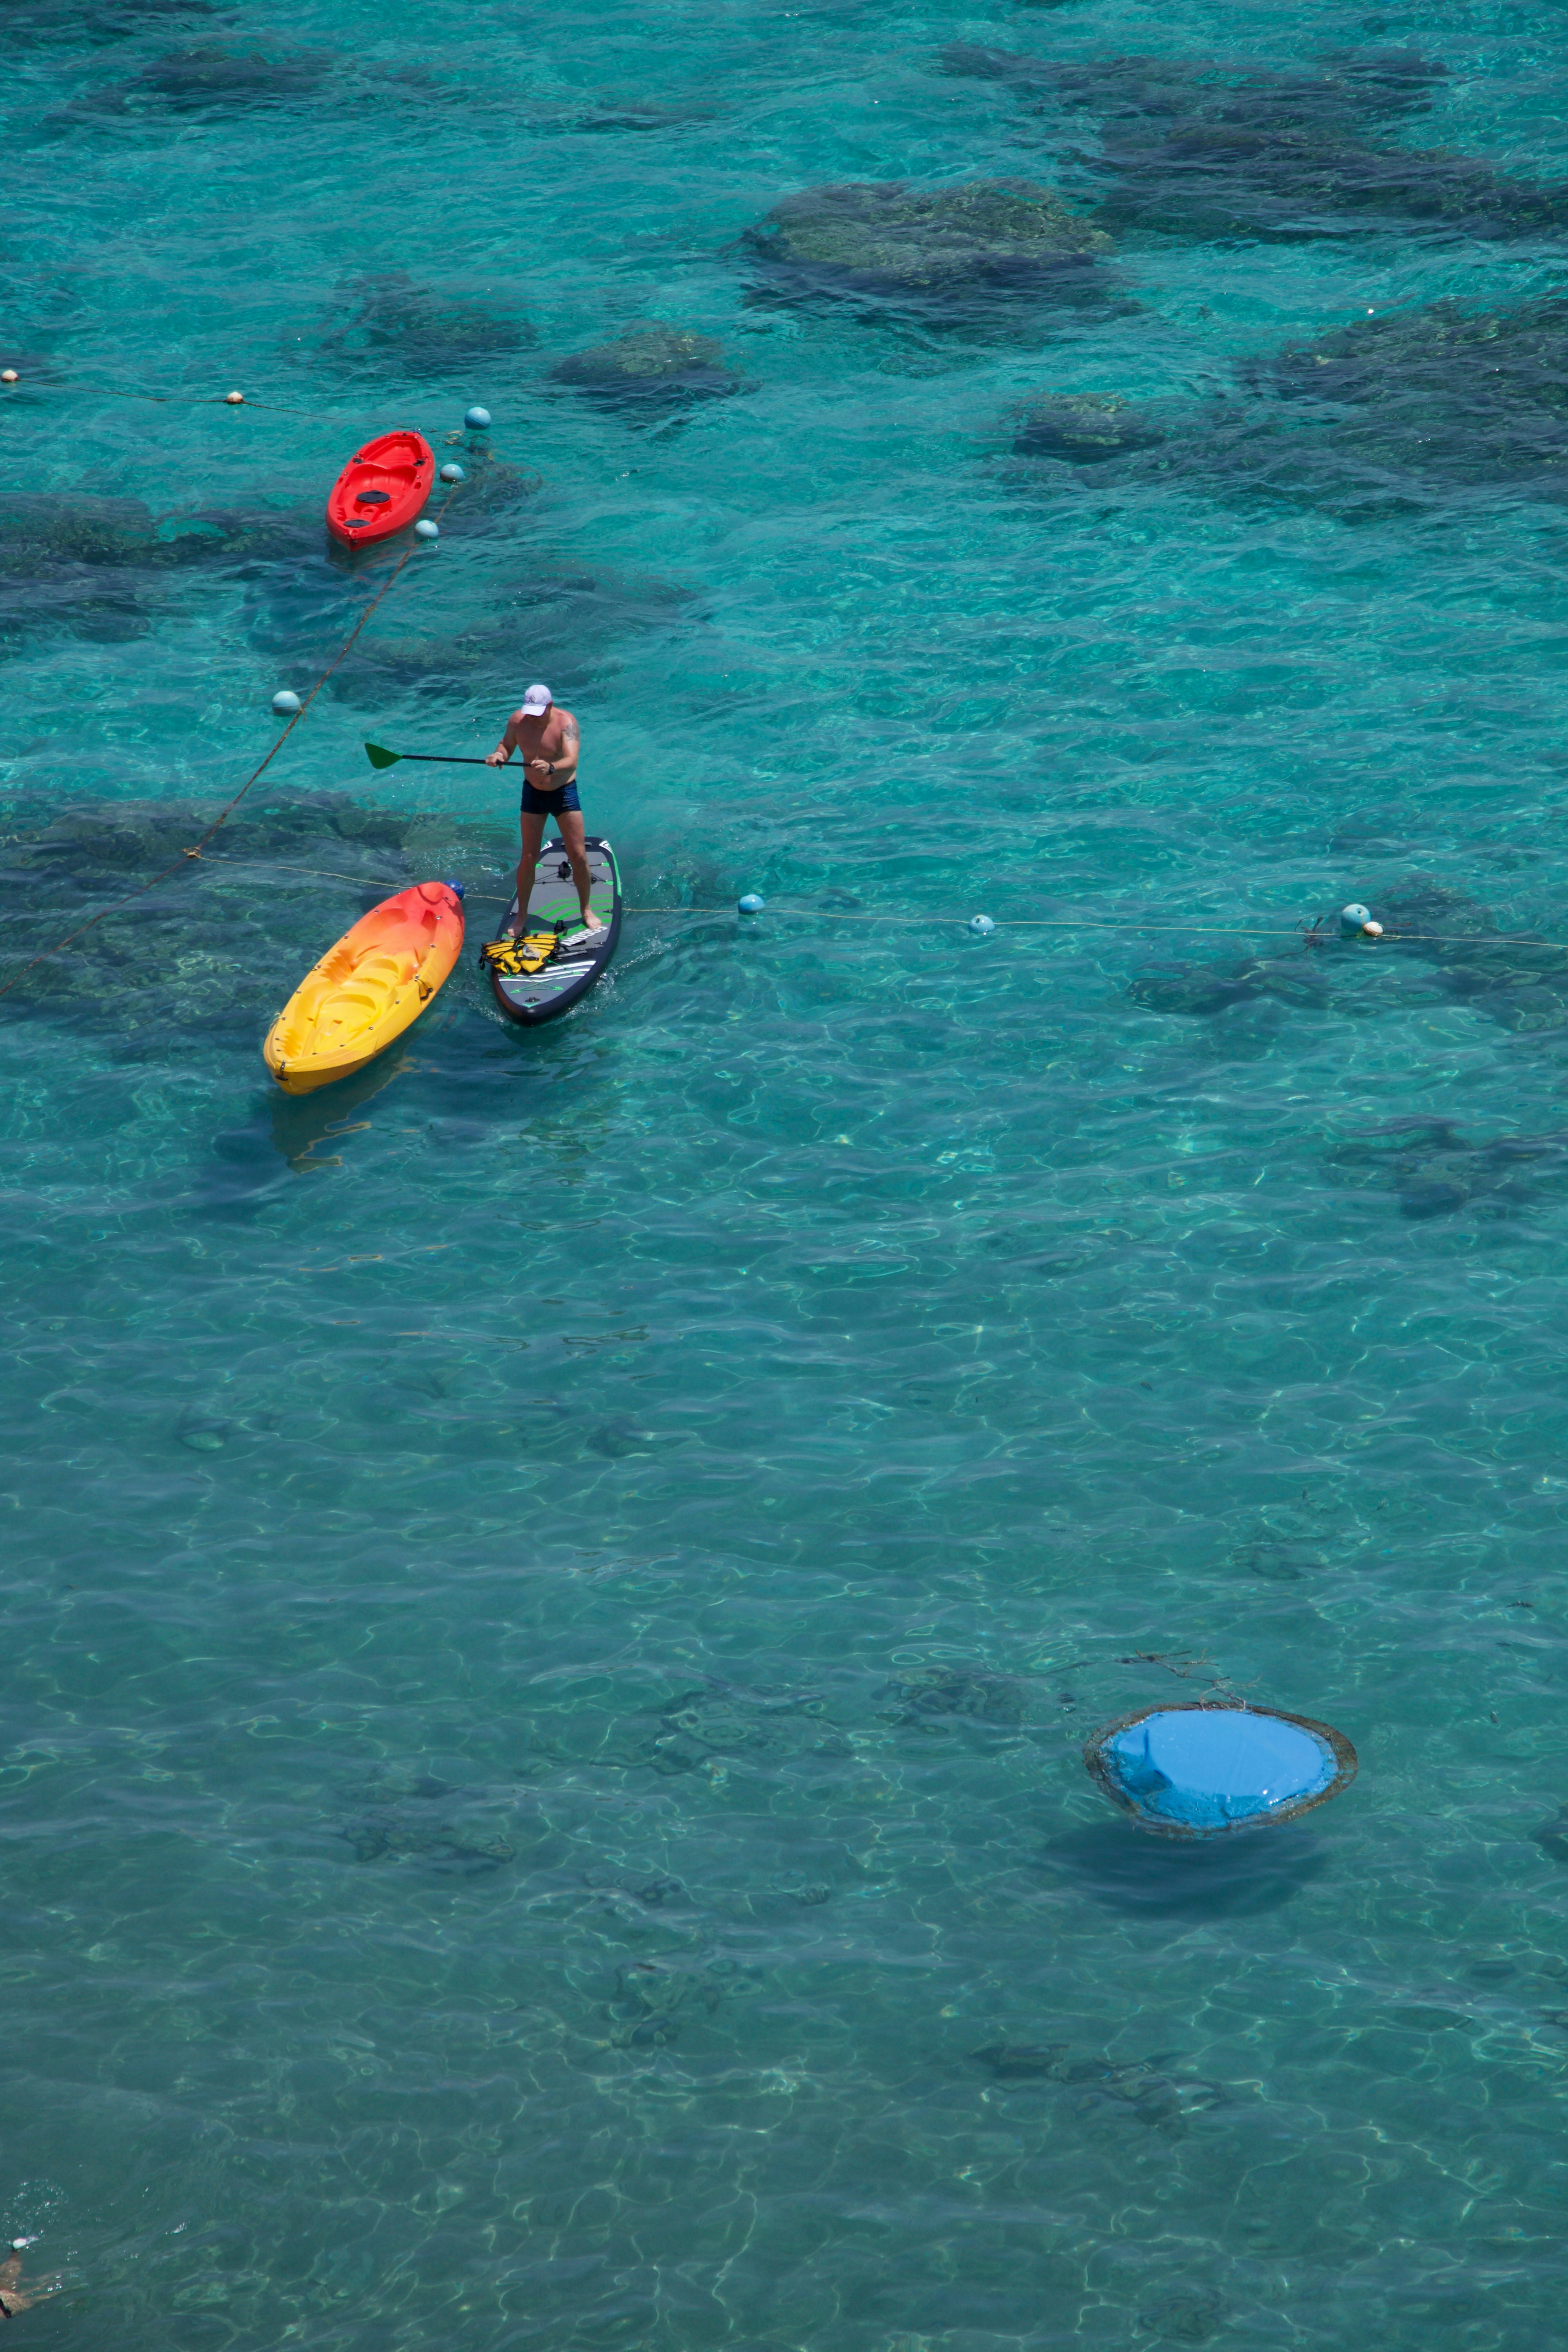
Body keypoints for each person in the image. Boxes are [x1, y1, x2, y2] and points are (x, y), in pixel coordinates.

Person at [485, 684, 601, 933]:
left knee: (578, 855)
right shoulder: (518, 721)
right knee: (529, 857)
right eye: (530, 711)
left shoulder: (565, 722)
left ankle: (586, 909)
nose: (533, 717)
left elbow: (572, 761)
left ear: (550, 706)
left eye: (538, 712)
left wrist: (551, 767)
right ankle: (522, 916)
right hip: (533, 794)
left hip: (563, 794)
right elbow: (506, 745)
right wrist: (498, 755)